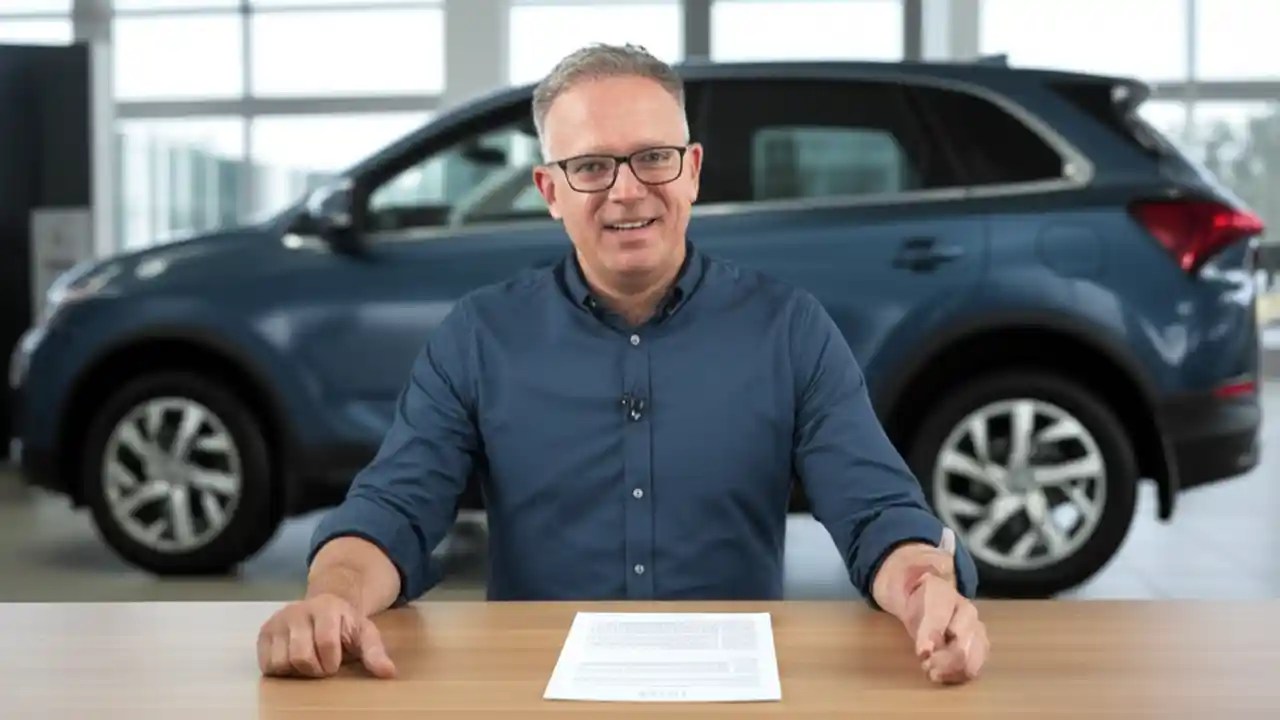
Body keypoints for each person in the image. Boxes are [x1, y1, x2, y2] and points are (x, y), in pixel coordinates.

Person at [257, 43, 989, 686]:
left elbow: (876, 511)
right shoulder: (479, 336)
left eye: (652, 157)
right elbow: (393, 511)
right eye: (592, 167)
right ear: (549, 191)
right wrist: (335, 598)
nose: (628, 189)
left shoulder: (789, 329)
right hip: (532, 689)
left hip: (734, 690)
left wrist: (924, 588)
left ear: (692, 170)